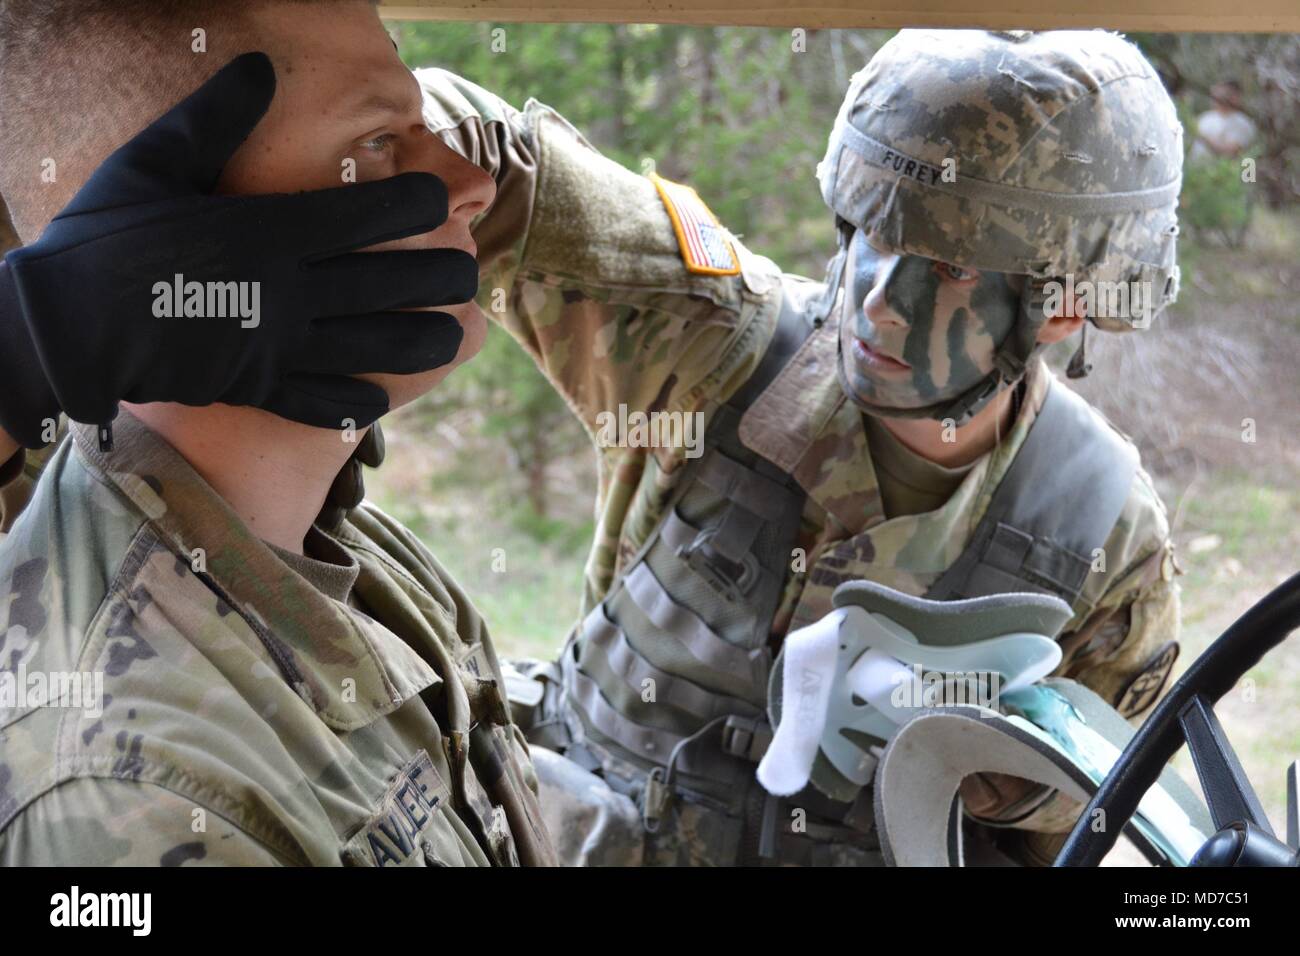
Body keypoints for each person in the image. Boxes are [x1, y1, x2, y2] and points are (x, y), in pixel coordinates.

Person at [412, 28, 1187, 866]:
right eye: (875, 233)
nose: (879, 300)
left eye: (952, 269)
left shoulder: (1101, 532)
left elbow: (1089, 827)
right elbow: (489, 158)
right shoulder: (718, 345)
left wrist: (991, 759)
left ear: (1063, 308)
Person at [0, 0, 556, 866]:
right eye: (379, 143)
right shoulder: (142, 793)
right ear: (160, 225)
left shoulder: (348, 543)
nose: (467, 180)